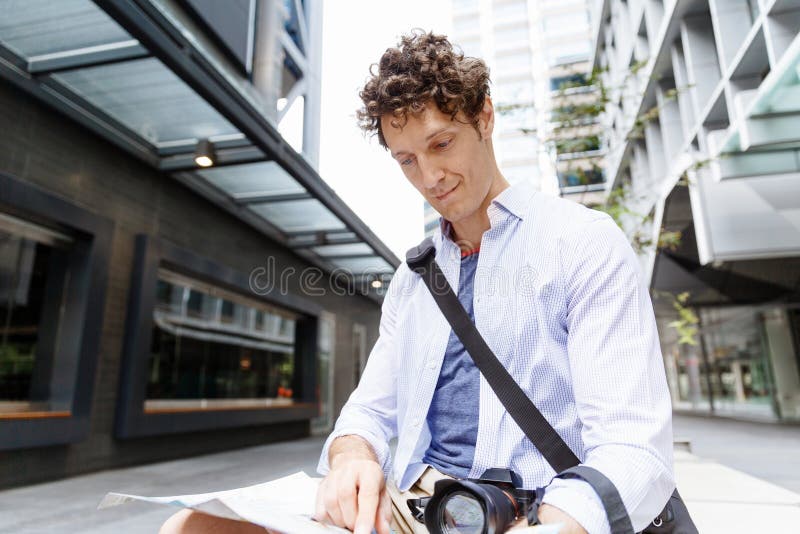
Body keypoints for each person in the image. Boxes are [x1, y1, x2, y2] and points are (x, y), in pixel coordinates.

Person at [160, 30, 674, 534]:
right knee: (191, 526)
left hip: (538, 514)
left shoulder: (582, 243)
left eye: (441, 144)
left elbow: (633, 448)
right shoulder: (413, 279)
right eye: (407, 160)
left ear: (485, 117)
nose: (429, 177)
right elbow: (368, 411)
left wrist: (563, 525)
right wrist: (352, 457)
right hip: (418, 506)